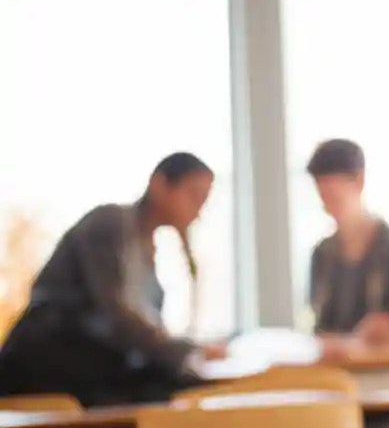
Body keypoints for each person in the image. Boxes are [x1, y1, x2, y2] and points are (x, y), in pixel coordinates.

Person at [0, 153, 225, 407]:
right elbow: (117, 313)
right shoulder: (112, 222)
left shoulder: (148, 251)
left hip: (89, 364)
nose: (197, 212)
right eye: (193, 196)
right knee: (163, 388)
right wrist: (186, 350)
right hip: (46, 358)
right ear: (160, 184)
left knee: (175, 384)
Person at [306, 139, 389, 357]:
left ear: (359, 181)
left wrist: (358, 352)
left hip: (387, 376)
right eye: (323, 197)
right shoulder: (322, 255)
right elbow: (319, 337)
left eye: (334, 197)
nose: (328, 207)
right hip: (335, 375)